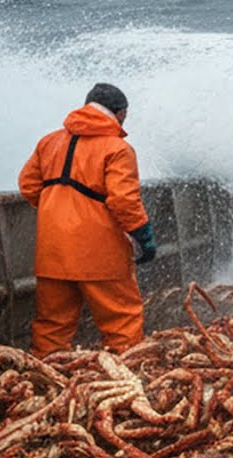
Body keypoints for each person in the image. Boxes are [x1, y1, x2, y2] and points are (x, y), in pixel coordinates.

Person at [19, 83, 157, 357]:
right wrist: (143, 235)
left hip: (53, 252)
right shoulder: (117, 149)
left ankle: (45, 381)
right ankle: (127, 381)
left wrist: (58, 213)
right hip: (101, 255)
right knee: (122, 324)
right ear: (119, 113)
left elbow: (28, 186)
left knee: (51, 328)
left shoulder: (49, 142)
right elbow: (123, 201)